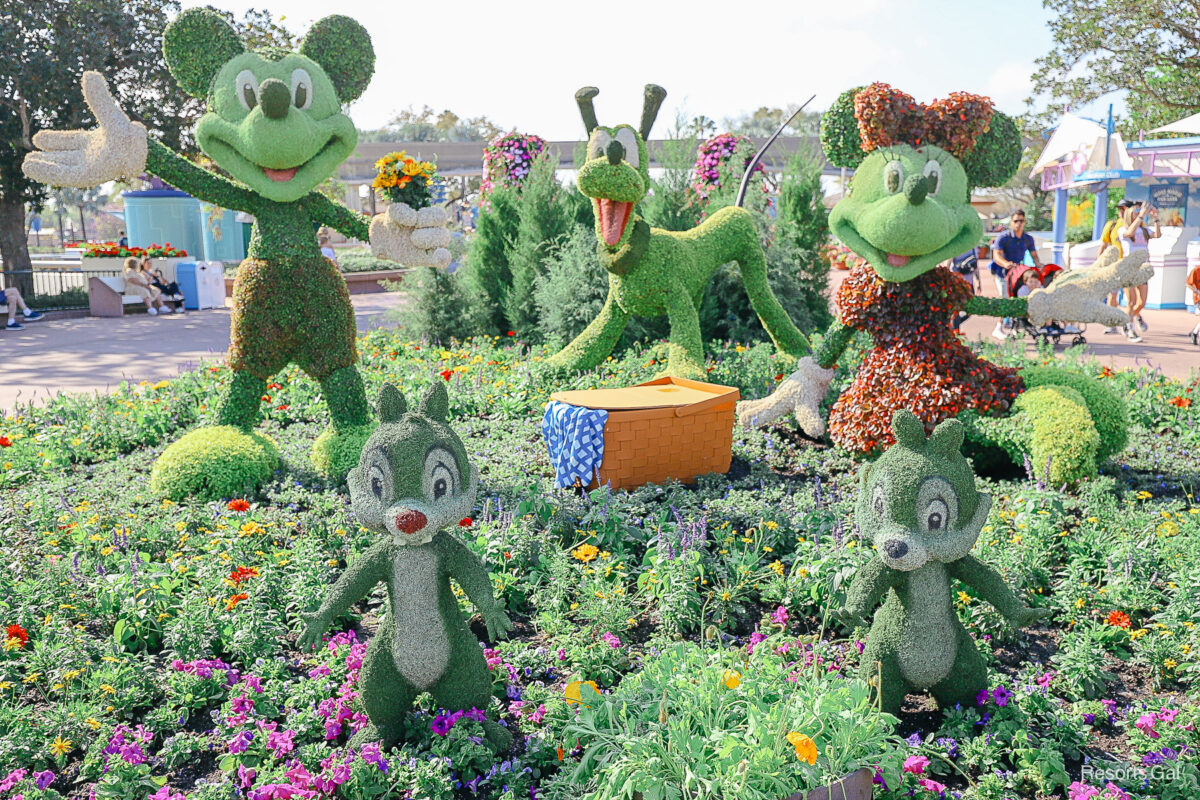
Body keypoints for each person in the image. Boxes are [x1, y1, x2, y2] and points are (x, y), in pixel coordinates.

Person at [989, 209, 1042, 339]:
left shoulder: (1027, 238)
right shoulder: (1004, 237)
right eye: (1016, 221)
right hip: (1002, 272)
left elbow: (1034, 255)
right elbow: (996, 255)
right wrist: (1005, 263)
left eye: (1021, 221)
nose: (1019, 223)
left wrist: (1039, 265)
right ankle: (998, 327)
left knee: (1020, 296)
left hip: (1017, 273)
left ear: (1025, 222)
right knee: (1005, 297)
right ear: (1011, 222)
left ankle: (1017, 324)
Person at [1117, 202, 1160, 342]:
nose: (1139, 214)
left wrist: (1156, 218)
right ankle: (1130, 330)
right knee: (1131, 302)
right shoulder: (1122, 230)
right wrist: (1141, 216)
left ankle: (1128, 319)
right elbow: (1130, 232)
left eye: (1139, 212)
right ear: (1130, 215)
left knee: (1142, 303)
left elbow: (1158, 235)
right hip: (1129, 268)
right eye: (1135, 213)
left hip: (1143, 268)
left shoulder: (1144, 229)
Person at [1100, 199, 1132, 334]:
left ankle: (1133, 318)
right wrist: (1099, 264)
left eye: (1124, 209)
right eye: (1120, 209)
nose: (1121, 212)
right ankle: (1111, 323)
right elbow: (1103, 245)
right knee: (1112, 295)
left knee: (1133, 299)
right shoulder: (1111, 225)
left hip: (1130, 266)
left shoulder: (1137, 226)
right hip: (1115, 266)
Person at [1186, 259, 1200, 347]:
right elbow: (1188, 284)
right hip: (1198, 299)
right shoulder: (1196, 270)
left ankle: (1194, 331)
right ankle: (1194, 332)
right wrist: (1197, 291)